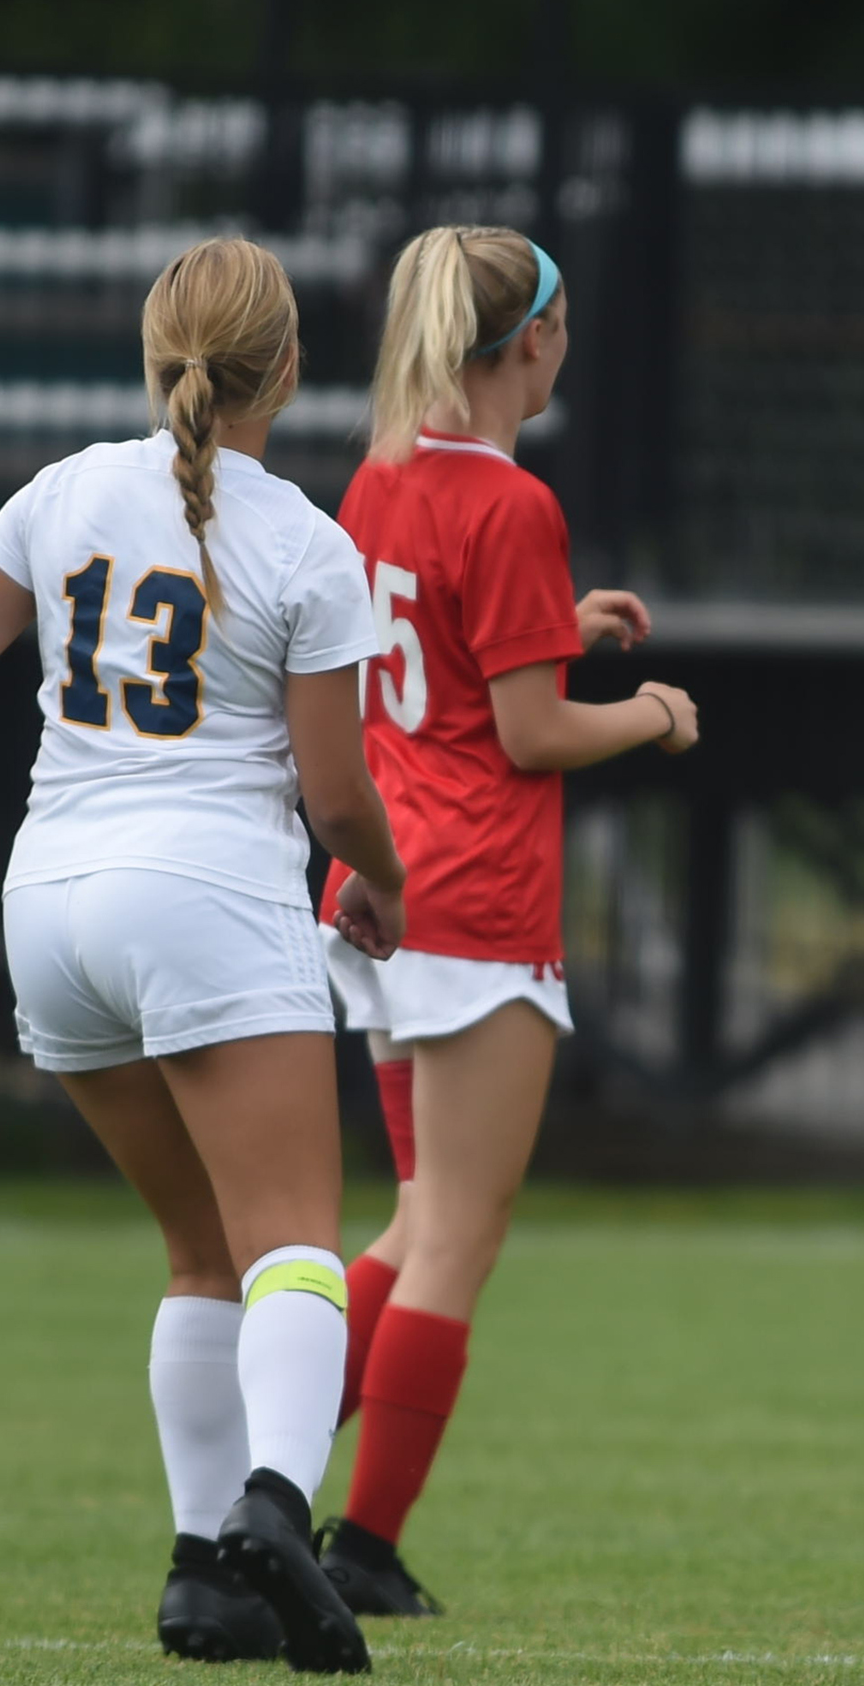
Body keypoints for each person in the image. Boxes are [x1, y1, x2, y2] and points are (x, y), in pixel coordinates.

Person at [0, 237, 405, 1673]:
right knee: (295, 1240)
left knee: (200, 1251)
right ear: (288, 370)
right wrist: (382, 882)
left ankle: (200, 1576)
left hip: (52, 907)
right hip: (205, 894)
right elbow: (338, 797)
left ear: (156, 356)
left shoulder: (63, 491)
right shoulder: (306, 540)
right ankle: (277, 1506)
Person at [306, 225, 701, 1617]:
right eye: (565, 328)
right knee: (460, 1235)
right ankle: (350, 1546)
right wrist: (650, 712)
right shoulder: (512, 500)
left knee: (416, 1220)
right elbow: (528, 736)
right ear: (528, 342)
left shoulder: (381, 474)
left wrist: (559, 625)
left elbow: (427, 666)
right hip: (475, 898)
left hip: (382, 888)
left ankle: (265, 1489)